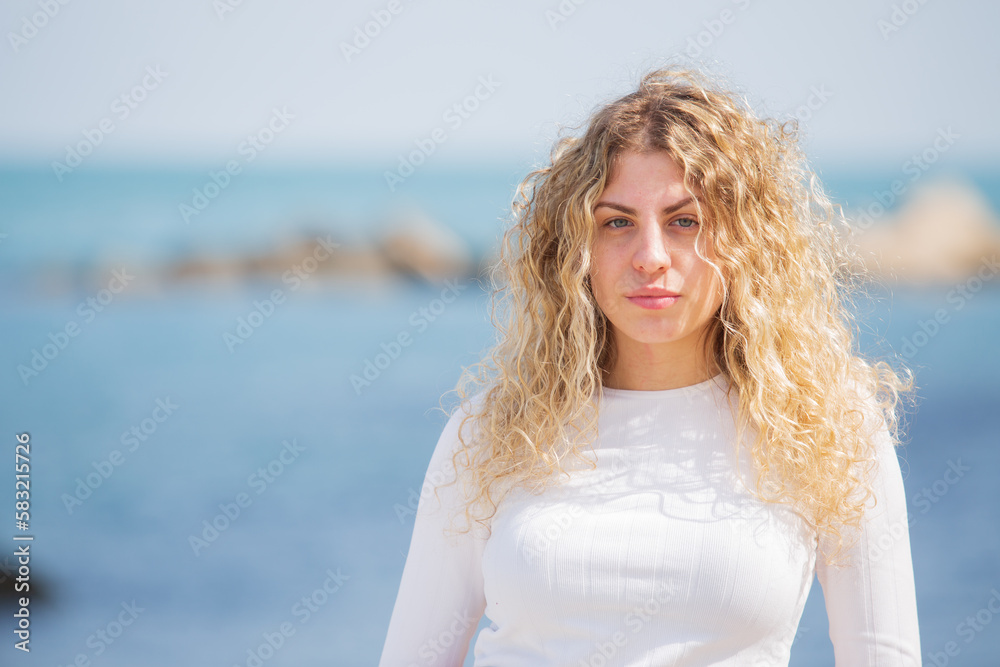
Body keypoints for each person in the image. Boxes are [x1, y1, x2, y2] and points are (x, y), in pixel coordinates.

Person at [377, 65, 921, 666]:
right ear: (576, 250)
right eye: (617, 223)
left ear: (747, 242)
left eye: (685, 221)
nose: (651, 257)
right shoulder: (491, 434)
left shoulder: (829, 432)